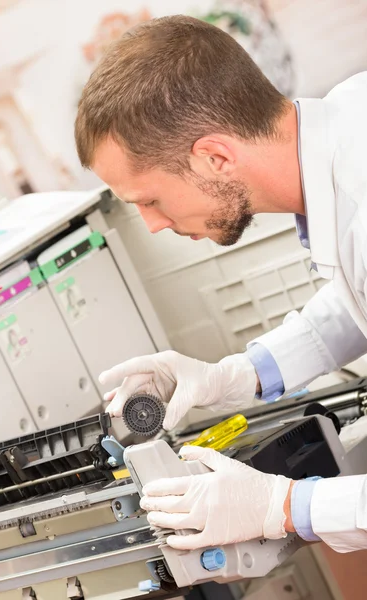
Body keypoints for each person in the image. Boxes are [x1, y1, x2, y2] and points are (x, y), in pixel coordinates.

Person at [75, 15, 367, 553]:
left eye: (150, 200)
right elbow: (358, 302)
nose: (154, 225)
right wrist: (234, 376)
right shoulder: (351, 113)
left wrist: (285, 507)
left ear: (216, 157)